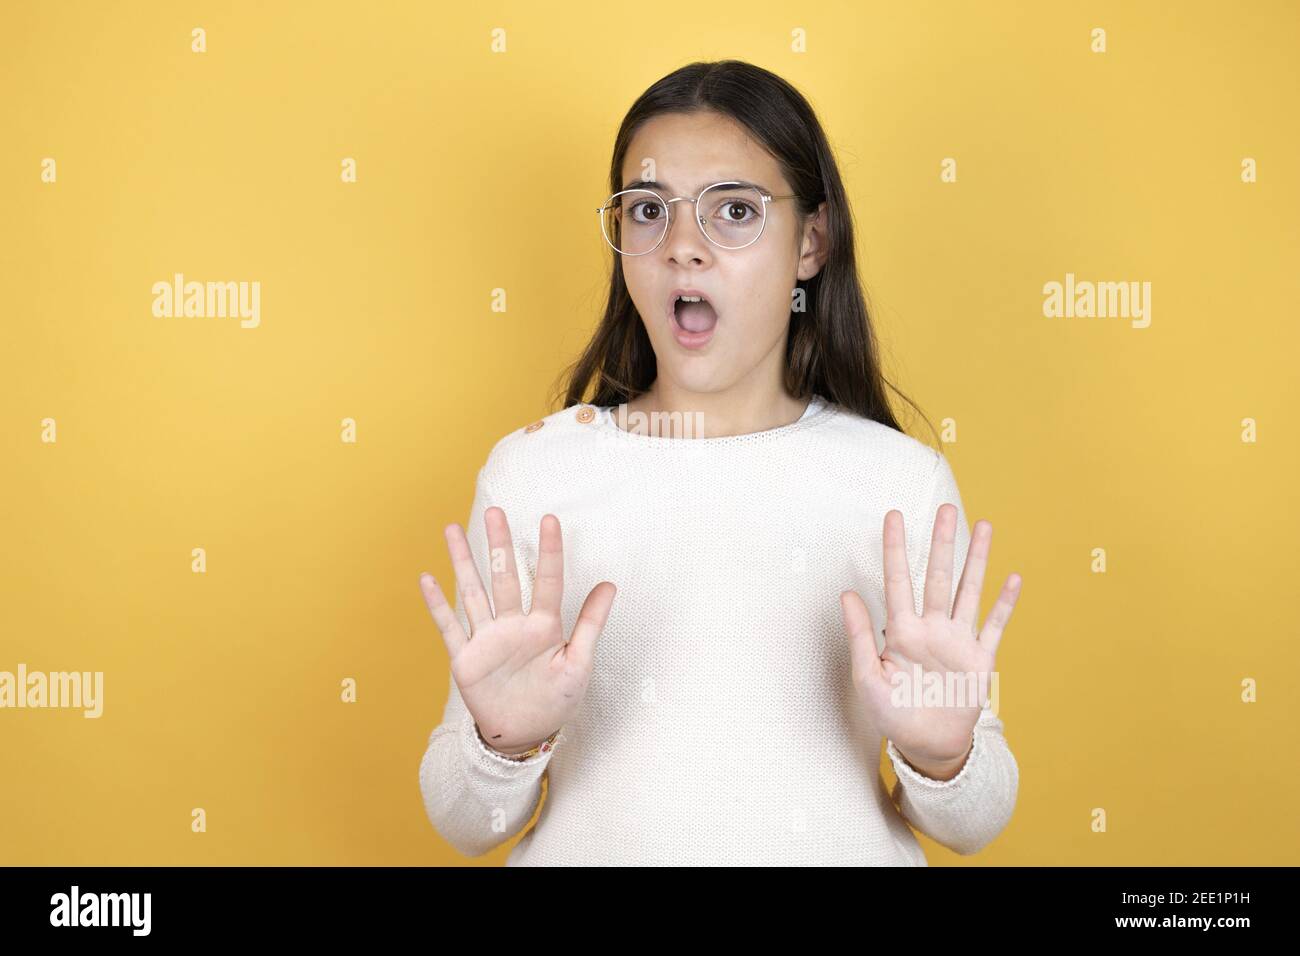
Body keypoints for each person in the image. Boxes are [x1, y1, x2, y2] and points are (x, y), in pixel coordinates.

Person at [417, 59, 1022, 865]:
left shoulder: (898, 483)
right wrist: (502, 743)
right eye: (648, 211)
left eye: (734, 210)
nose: (683, 249)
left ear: (811, 241)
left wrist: (943, 753)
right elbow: (466, 825)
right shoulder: (535, 476)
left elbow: (973, 825)